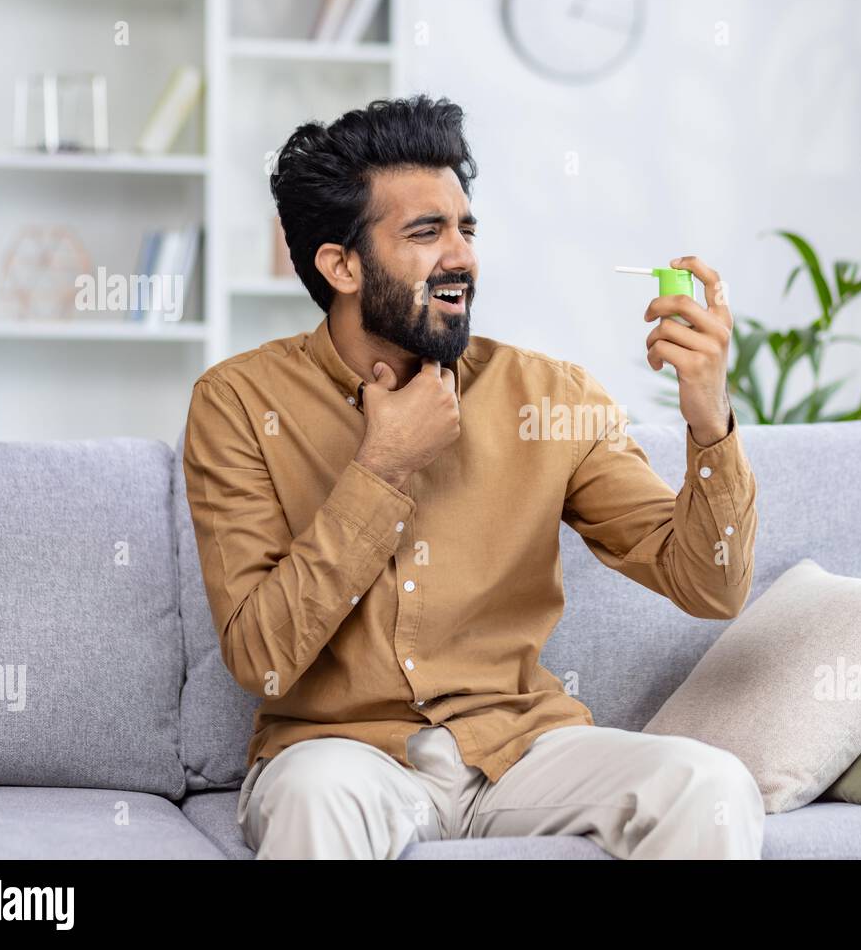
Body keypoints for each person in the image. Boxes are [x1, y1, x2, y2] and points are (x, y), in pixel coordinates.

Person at [182, 94, 763, 859]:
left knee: (709, 786)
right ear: (341, 264)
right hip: (344, 754)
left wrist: (708, 416)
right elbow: (261, 656)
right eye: (425, 232)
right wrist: (381, 467)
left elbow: (710, 585)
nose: (461, 256)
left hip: (520, 749)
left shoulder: (549, 397)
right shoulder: (237, 402)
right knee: (314, 796)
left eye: (466, 227)